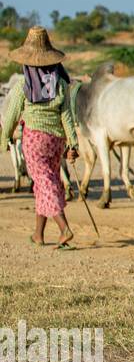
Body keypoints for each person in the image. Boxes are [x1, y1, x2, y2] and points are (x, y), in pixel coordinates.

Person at [1, 27, 80, 249]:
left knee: (44, 183)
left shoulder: (22, 87)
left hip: (34, 140)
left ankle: (64, 228)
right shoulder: (61, 84)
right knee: (47, 182)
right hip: (56, 141)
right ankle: (38, 234)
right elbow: (67, 116)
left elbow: (11, 117)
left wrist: (4, 139)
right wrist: (73, 143)